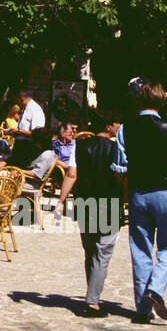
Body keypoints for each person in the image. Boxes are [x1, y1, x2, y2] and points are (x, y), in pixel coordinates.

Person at [116, 80, 167, 324]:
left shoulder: (125, 129)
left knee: (140, 249)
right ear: (162, 101)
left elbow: (121, 168)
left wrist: (126, 194)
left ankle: (143, 310)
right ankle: (155, 289)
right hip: (166, 192)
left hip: (139, 193)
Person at [53, 112, 124, 317]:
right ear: (109, 127)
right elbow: (120, 176)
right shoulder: (116, 148)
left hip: (85, 201)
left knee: (90, 250)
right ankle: (92, 302)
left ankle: (91, 293)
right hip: (109, 202)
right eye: (117, 123)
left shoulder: (79, 146)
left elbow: (71, 174)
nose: (119, 127)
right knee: (103, 251)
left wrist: (61, 200)